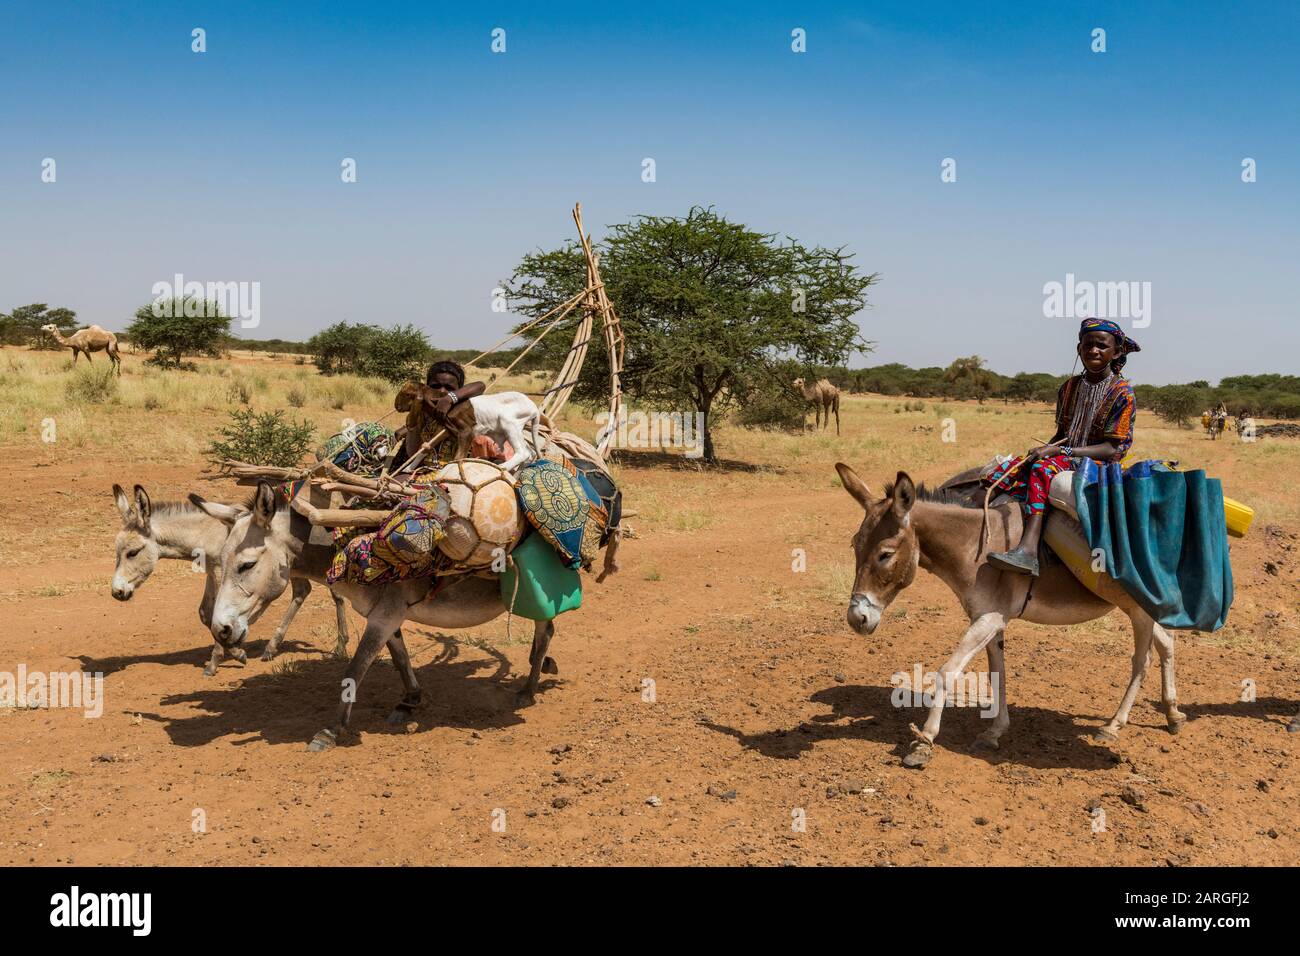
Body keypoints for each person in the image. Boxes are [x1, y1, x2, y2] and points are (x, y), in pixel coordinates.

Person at [983, 318, 1140, 576]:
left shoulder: (1122, 393)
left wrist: (1061, 453)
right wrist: (1046, 448)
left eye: (1101, 346)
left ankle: (1029, 550)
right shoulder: (1068, 388)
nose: (1093, 351)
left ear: (1117, 352)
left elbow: (1113, 449)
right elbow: (1062, 434)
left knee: (1043, 470)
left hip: (1099, 464)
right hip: (1065, 456)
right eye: (1087, 345)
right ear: (1078, 348)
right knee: (1005, 471)